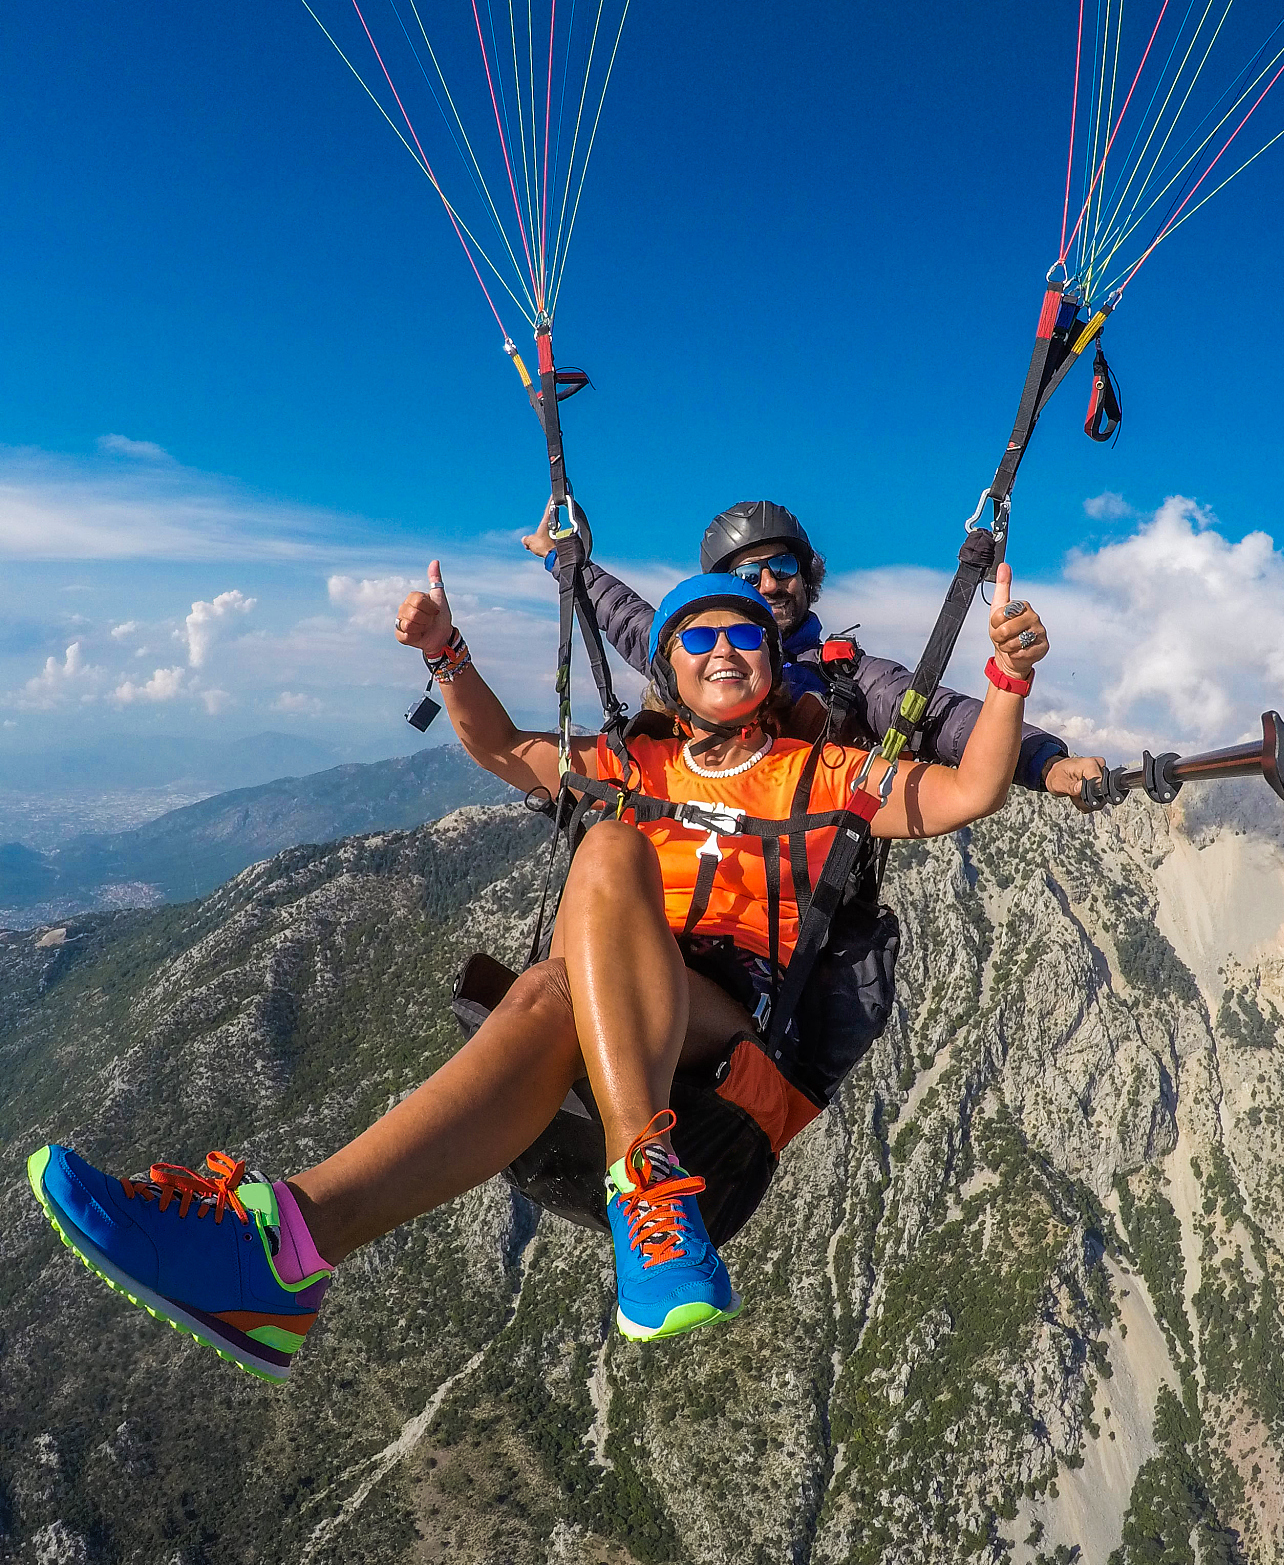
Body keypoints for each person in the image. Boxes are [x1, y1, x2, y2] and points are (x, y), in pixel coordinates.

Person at [25, 557, 1048, 1380]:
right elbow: (504, 748)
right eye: (701, 632)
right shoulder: (636, 761)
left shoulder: (820, 771)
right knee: (557, 976)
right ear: (669, 667)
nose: (728, 644)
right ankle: (286, 1251)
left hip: (735, 1035)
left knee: (607, 850)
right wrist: (444, 652)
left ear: (773, 666)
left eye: (747, 632)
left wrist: (1005, 682)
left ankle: (642, 1188)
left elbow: (967, 792)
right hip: (613, 1004)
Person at [523, 496, 1106, 804]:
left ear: (807, 577)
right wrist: (565, 560)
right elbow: (629, 621)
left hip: (800, 896)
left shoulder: (846, 676)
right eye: (749, 574)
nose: (771, 584)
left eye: (783, 567)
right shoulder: (697, 665)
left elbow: (942, 715)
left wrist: (1044, 761)